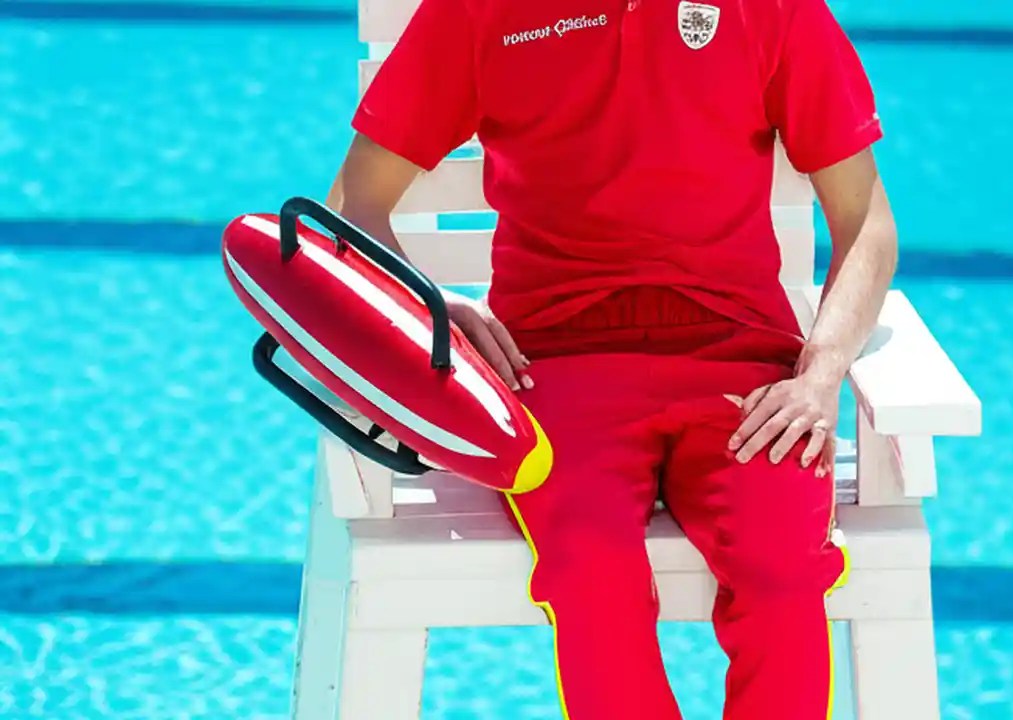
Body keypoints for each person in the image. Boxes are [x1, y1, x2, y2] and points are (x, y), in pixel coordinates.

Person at [328, 0, 897, 715]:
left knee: (781, 569)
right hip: (553, 366)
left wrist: (821, 373)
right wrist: (435, 304)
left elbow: (865, 221)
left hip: (745, 368)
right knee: (590, 571)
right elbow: (354, 205)